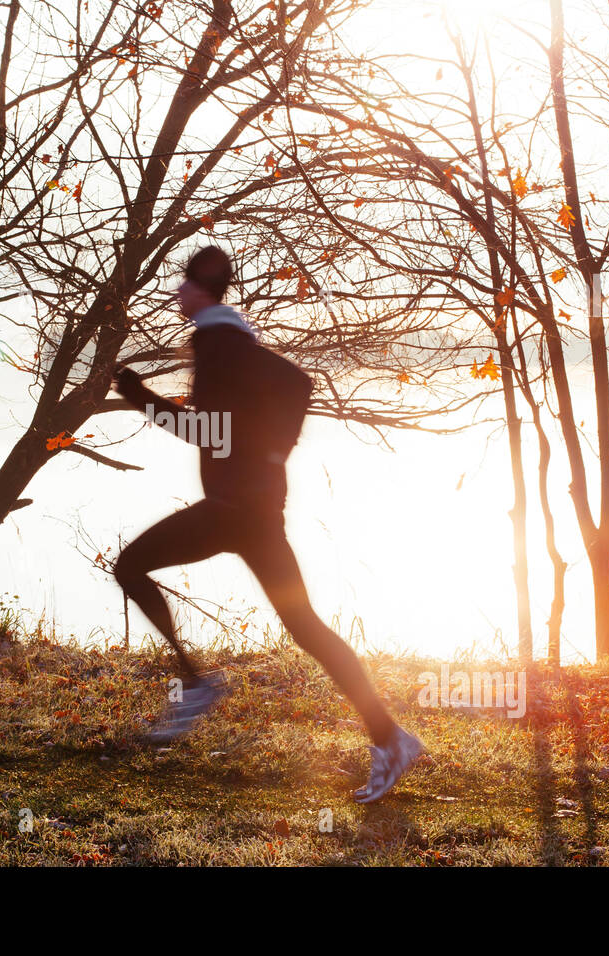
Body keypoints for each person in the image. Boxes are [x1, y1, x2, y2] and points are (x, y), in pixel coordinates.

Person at [112, 245, 425, 804]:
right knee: (304, 625)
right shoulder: (229, 341)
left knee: (131, 565)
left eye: (184, 284)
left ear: (201, 290)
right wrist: (273, 458)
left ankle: (198, 683)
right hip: (250, 513)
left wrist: (140, 398)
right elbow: (293, 386)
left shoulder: (219, 346)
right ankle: (390, 738)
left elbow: (206, 432)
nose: (177, 292)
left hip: (234, 512)